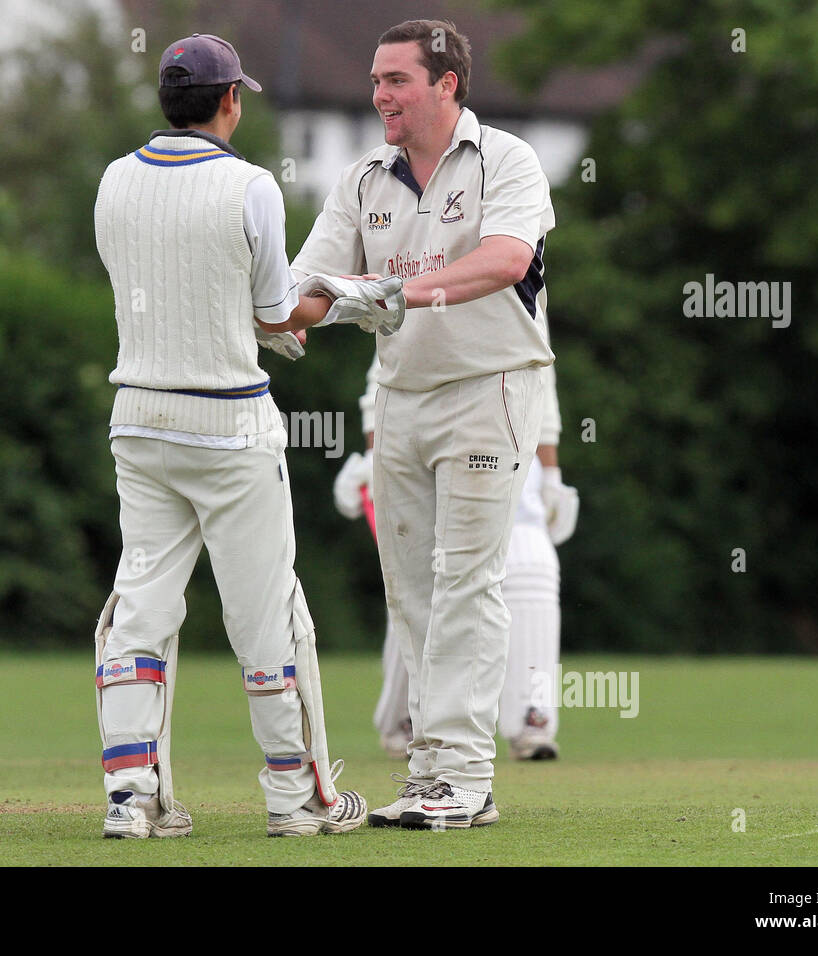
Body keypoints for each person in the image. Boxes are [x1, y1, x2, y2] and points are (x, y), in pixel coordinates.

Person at [91, 33, 398, 839]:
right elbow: (274, 316)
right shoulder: (250, 186)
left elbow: (166, 294)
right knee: (269, 616)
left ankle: (132, 794)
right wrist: (359, 296)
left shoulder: (115, 181)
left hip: (139, 420)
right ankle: (296, 798)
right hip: (228, 426)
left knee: (142, 606)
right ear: (230, 101)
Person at [292, 19, 556, 829]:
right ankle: (432, 771)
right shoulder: (365, 176)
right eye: (375, 81)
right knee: (411, 594)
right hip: (401, 397)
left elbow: (507, 259)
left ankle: (464, 776)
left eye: (396, 80)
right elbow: (309, 287)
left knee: (468, 581)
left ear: (447, 84)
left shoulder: (506, 160)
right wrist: (268, 313)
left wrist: (396, 292)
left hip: (488, 390)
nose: (379, 96)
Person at [336, 339, 578, 764]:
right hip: (423, 436)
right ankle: (410, 717)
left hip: (503, 427)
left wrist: (551, 472)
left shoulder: (521, 274)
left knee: (529, 557)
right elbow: (388, 370)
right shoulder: (418, 274)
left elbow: (541, 374)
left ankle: (530, 716)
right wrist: (376, 454)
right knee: (425, 569)